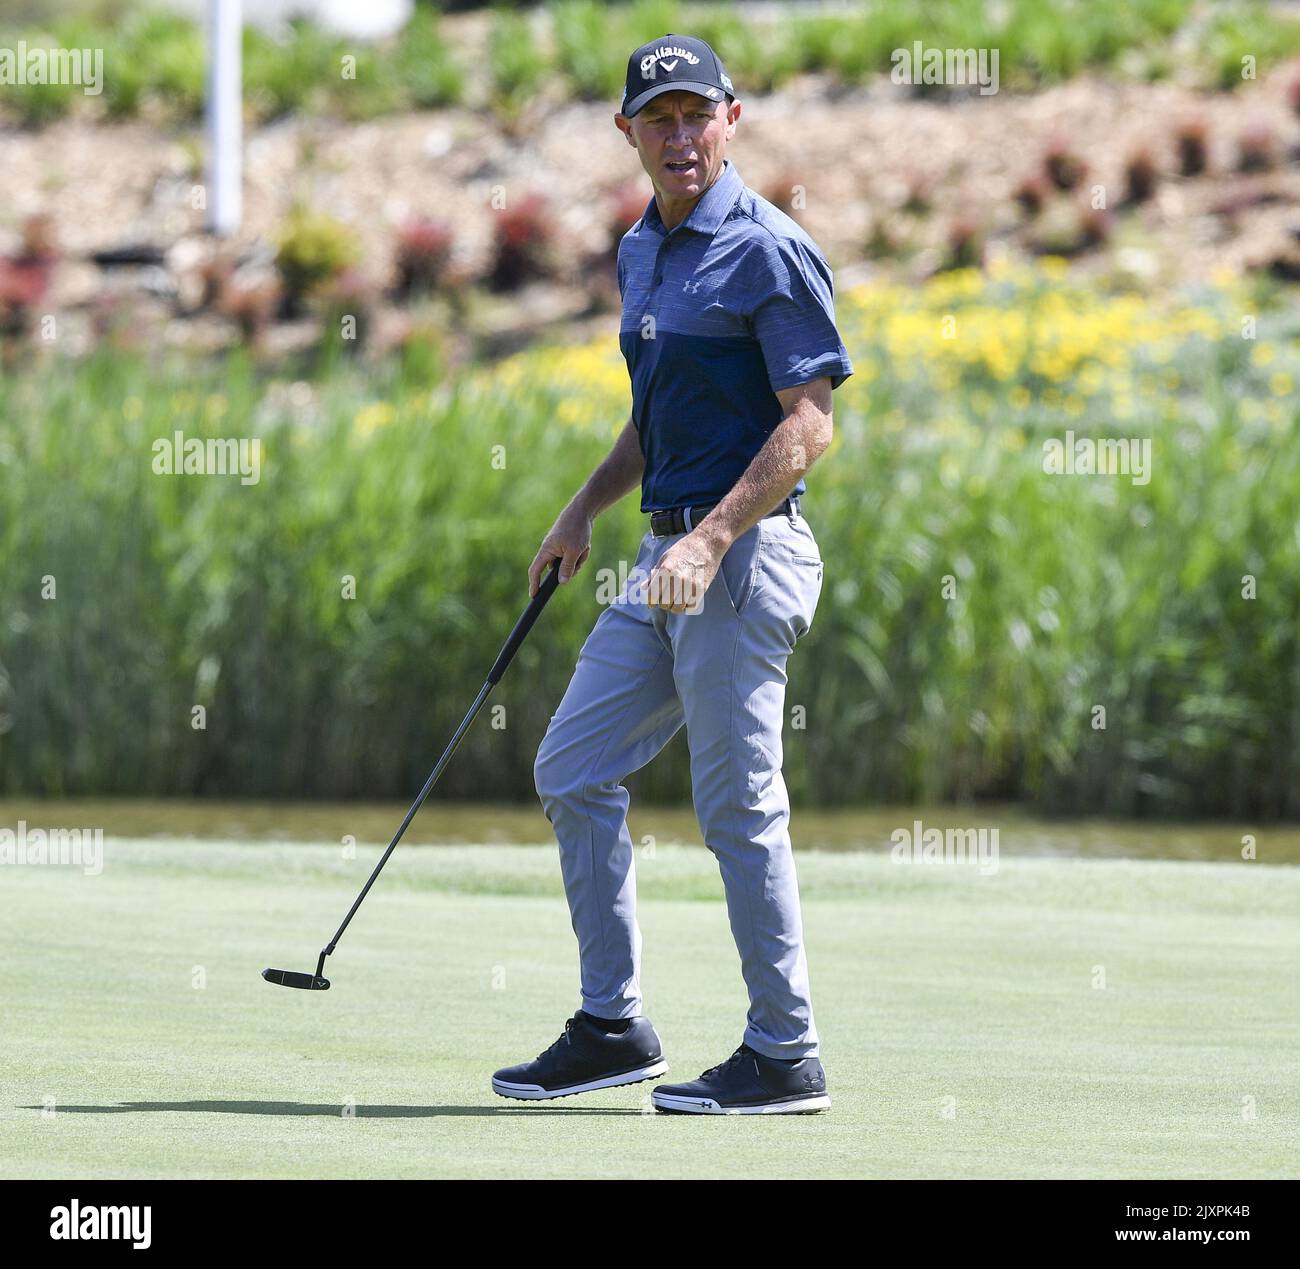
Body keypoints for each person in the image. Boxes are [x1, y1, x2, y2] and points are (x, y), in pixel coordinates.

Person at [491, 34, 853, 1114]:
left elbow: (811, 426)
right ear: (629, 135)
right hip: (662, 555)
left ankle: (784, 1054)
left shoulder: (770, 248)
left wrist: (710, 539)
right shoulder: (642, 250)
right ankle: (613, 1026)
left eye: (699, 115)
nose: (681, 136)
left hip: (742, 560)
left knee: (739, 810)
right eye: (660, 120)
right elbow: (657, 417)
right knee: (570, 766)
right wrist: (581, 509)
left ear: (731, 120)